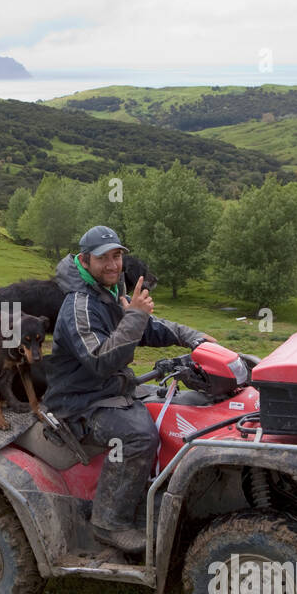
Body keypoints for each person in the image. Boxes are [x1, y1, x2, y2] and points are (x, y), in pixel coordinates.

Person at [42, 226, 215, 554]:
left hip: (110, 392)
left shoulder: (106, 292)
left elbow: (145, 327)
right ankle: (110, 522)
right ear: (84, 260)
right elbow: (101, 360)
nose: (112, 264)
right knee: (138, 436)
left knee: (176, 411)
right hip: (78, 403)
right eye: (103, 258)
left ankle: (152, 500)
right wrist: (134, 315)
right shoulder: (78, 305)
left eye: (117, 256)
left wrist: (192, 337)